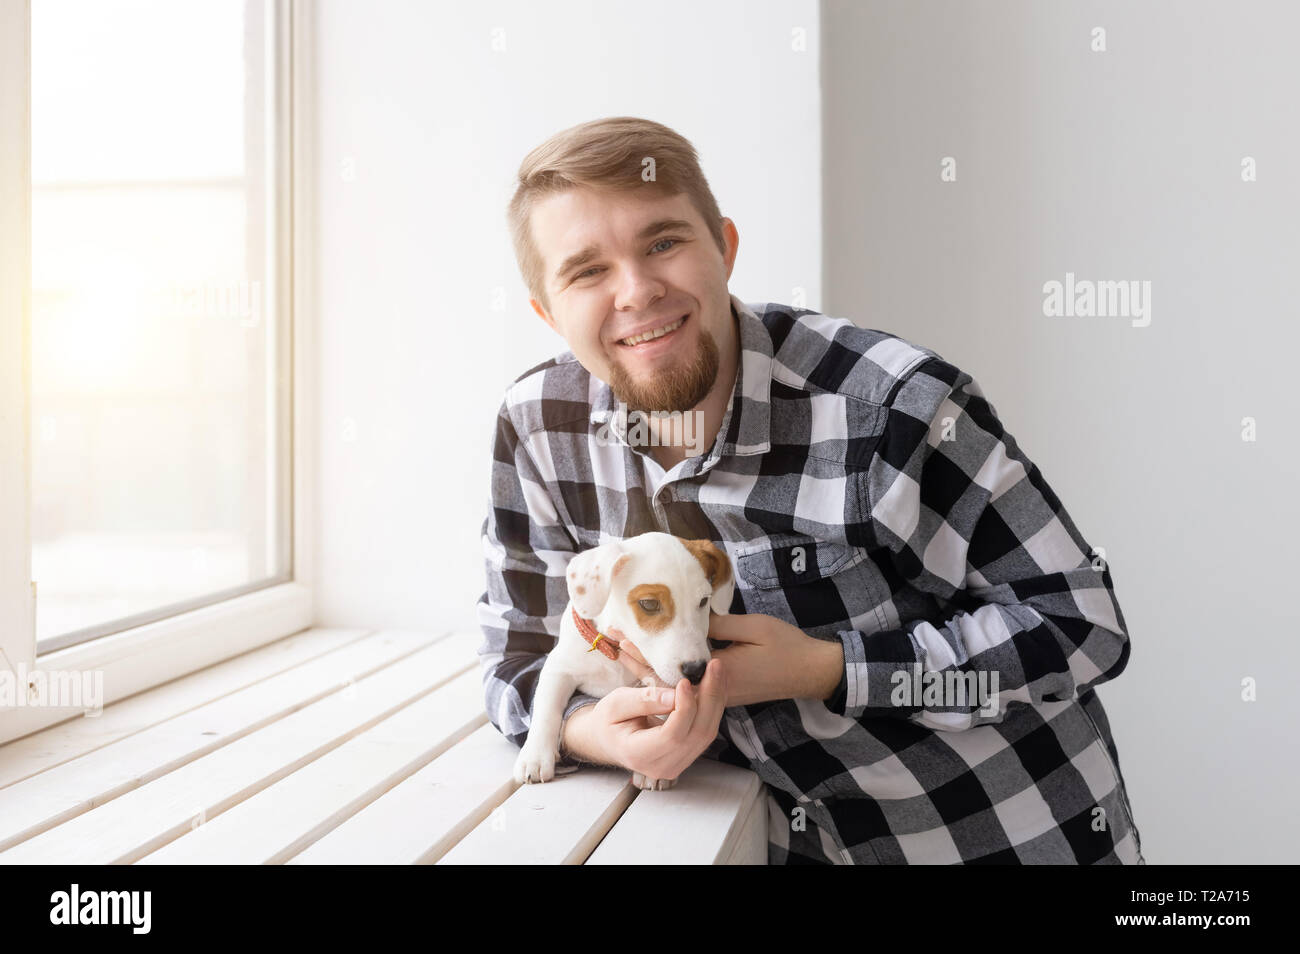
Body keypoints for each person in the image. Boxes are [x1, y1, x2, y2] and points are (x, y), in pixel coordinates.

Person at [476, 116, 1144, 864]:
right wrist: (580, 732)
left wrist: (827, 668)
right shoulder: (538, 427)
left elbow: (1082, 628)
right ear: (548, 312)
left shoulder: (897, 407)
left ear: (724, 249)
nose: (636, 292)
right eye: (587, 271)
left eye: (663, 242)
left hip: (995, 840)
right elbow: (515, 656)